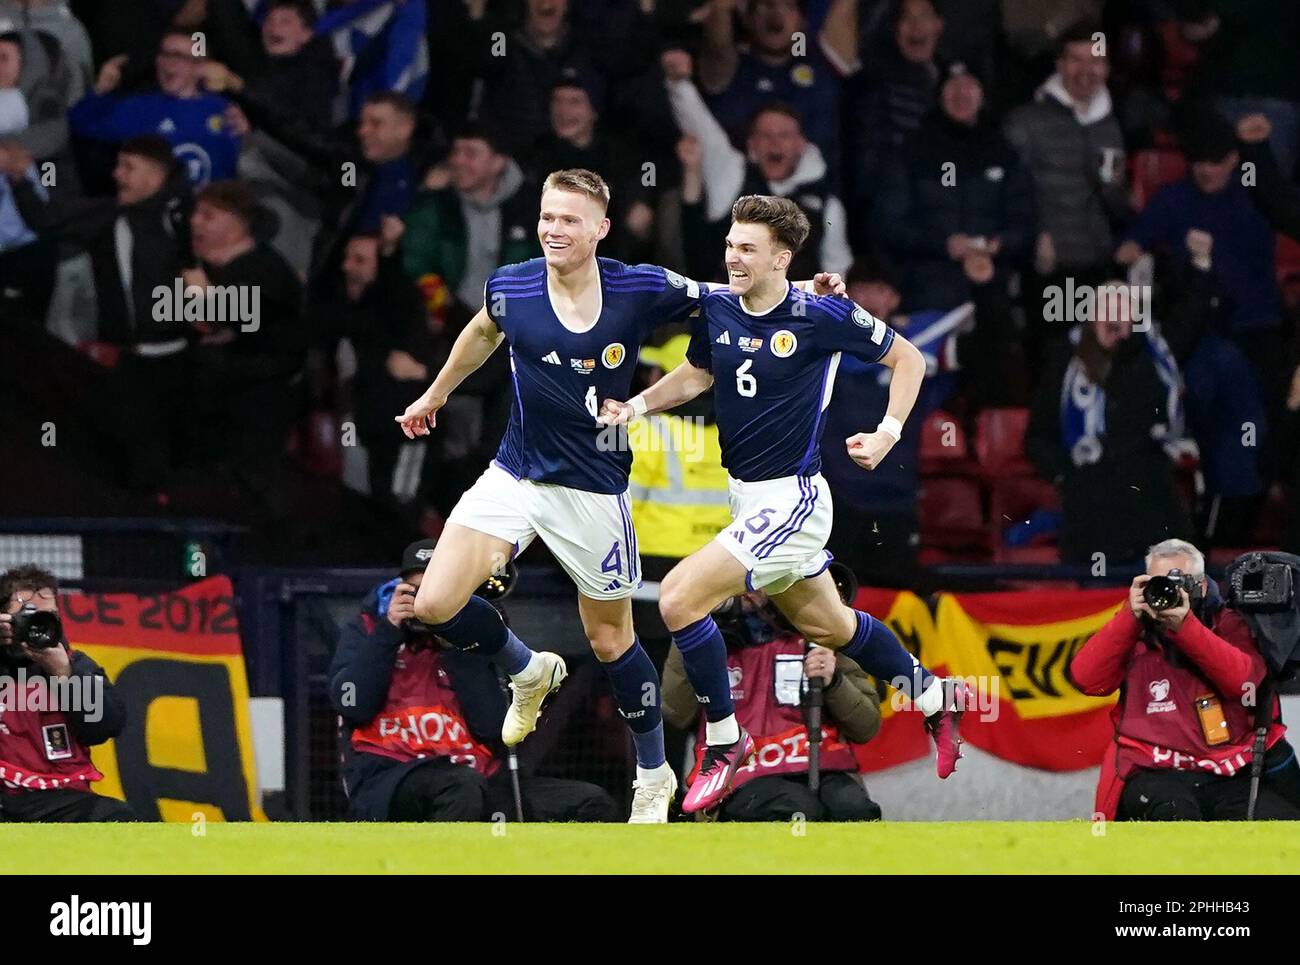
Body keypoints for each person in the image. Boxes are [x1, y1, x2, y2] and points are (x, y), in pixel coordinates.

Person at [395, 168, 844, 823]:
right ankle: (527, 669)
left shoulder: (639, 287)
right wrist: (435, 394)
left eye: (569, 220)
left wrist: (801, 291)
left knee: (610, 640)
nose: (553, 229)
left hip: (593, 489)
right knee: (435, 602)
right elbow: (484, 331)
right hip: (515, 475)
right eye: (548, 217)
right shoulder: (512, 284)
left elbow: (726, 292)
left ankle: (653, 774)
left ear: (601, 228)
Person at [598, 195, 969, 814]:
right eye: (730, 245)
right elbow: (698, 374)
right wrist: (635, 407)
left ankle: (725, 739)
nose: (733, 257)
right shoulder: (719, 308)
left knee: (679, 598)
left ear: (782, 258)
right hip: (746, 499)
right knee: (832, 627)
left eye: (748, 248)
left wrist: (887, 433)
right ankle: (937, 699)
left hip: (793, 498)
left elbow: (907, 357)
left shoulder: (821, 314)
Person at [328, 539, 616, 822]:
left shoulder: (473, 636)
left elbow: (491, 726)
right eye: (418, 593)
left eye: (439, 593)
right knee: (461, 787)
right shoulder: (370, 628)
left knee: (591, 801)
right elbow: (352, 706)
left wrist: (456, 641)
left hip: (477, 776)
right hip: (394, 776)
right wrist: (389, 632)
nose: (429, 605)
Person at [1072, 539, 1300, 821]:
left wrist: (1185, 627)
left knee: (1283, 826)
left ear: (1200, 586)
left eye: (1177, 582)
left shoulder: (1229, 622)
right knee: (1176, 813)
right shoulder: (1131, 627)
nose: (1167, 592)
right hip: (1153, 771)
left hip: (1227, 773)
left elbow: (1243, 685)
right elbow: (1087, 680)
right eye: (1157, 583)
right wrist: (1129, 616)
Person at [661, 580, 883, 822]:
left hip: (824, 766)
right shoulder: (703, 638)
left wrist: (835, 682)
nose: (750, 591)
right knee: (795, 808)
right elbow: (676, 713)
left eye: (758, 580)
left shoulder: (820, 634)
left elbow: (866, 727)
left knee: (855, 811)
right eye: (737, 581)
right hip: (740, 776)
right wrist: (692, 630)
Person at [1026, 278, 1191, 565]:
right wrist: (1064, 474)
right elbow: (1038, 435)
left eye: (1122, 313)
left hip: (1145, 501)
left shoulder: (1149, 365)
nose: (1114, 321)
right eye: (1107, 312)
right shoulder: (1063, 364)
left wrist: (1123, 355)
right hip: (1085, 506)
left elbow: (1152, 425)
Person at [663, 49, 852, 281]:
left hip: (793, 303)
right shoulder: (731, 174)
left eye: (784, 135)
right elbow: (703, 129)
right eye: (765, 135)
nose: (774, 142)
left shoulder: (826, 205)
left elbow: (836, 273)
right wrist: (678, 83)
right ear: (751, 145)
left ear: (801, 145)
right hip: (729, 301)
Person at [0, 565, 134, 822]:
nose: (36, 624)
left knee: (118, 817)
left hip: (59, 799)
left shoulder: (76, 664)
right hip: (3, 795)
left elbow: (105, 727)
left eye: (47, 616)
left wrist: (65, 675)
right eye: (27, 615)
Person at [68, 28, 244, 186]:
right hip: (156, 209)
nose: (169, 63)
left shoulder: (224, 109)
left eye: (179, 56)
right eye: (164, 55)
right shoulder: (140, 108)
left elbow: (244, 162)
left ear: (200, 66)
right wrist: (100, 91)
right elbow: (81, 125)